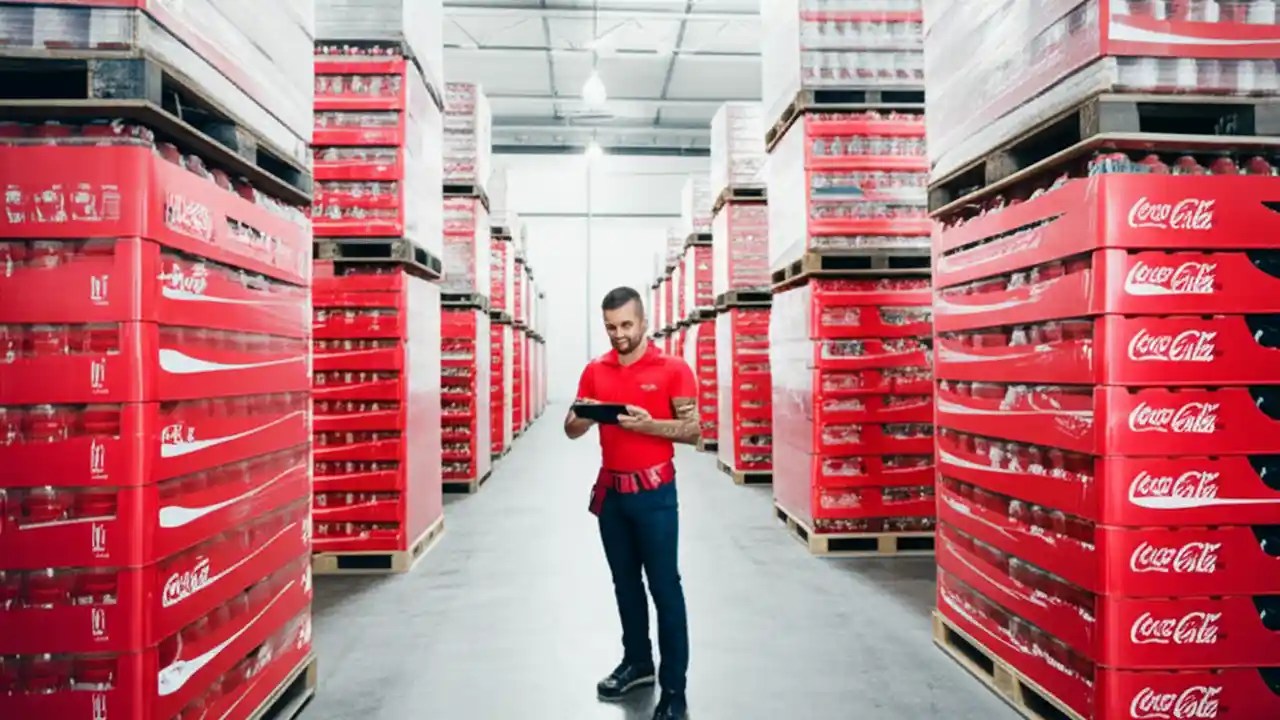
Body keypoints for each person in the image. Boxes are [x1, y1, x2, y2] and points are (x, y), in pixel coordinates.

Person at [564, 286, 700, 720]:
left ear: (643, 322)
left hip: (656, 497)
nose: (618, 334)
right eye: (610, 327)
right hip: (613, 498)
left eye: (626, 325)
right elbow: (570, 427)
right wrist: (587, 414)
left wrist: (650, 425)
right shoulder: (595, 370)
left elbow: (694, 430)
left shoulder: (673, 369)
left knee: (665, 589)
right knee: (625, 586)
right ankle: (638, 663)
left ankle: (674, 689)